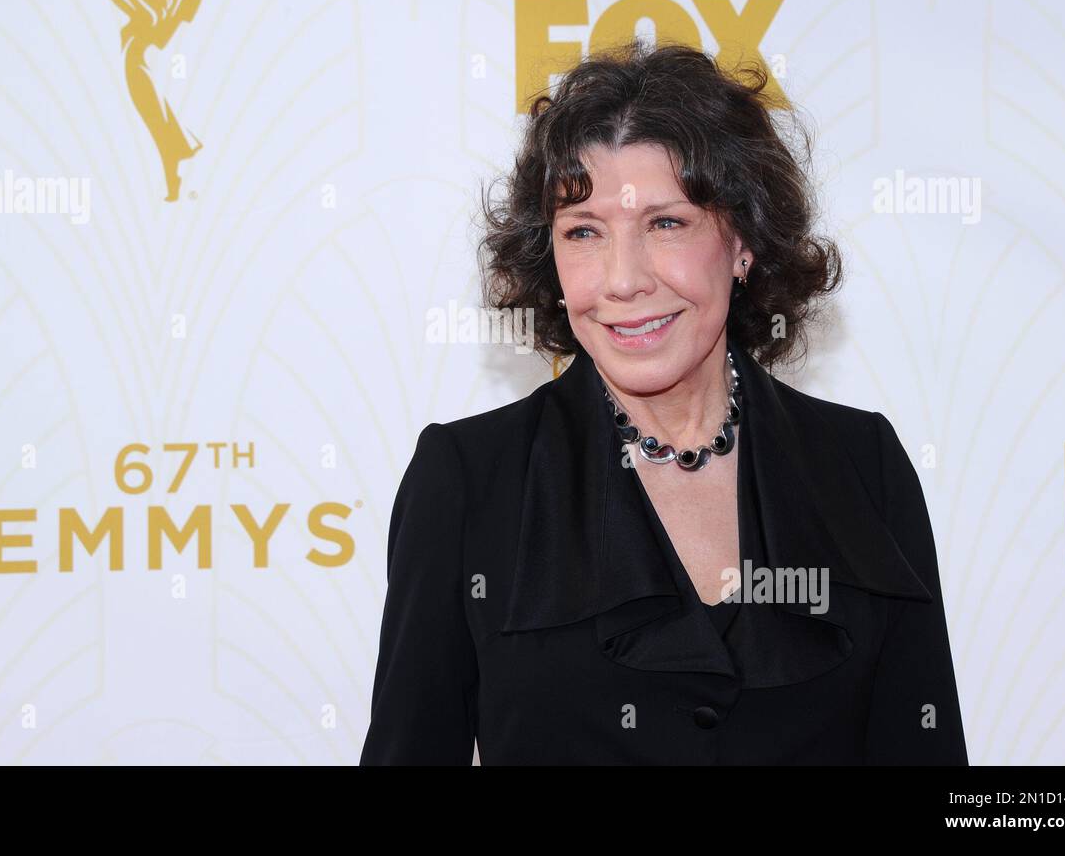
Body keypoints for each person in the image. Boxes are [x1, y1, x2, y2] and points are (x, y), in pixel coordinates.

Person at [359, 40, 969, 765]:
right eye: (583, 232)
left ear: (742, 240)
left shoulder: (862, 468)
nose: (622, 279)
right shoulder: (468, 483)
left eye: (666, 223)